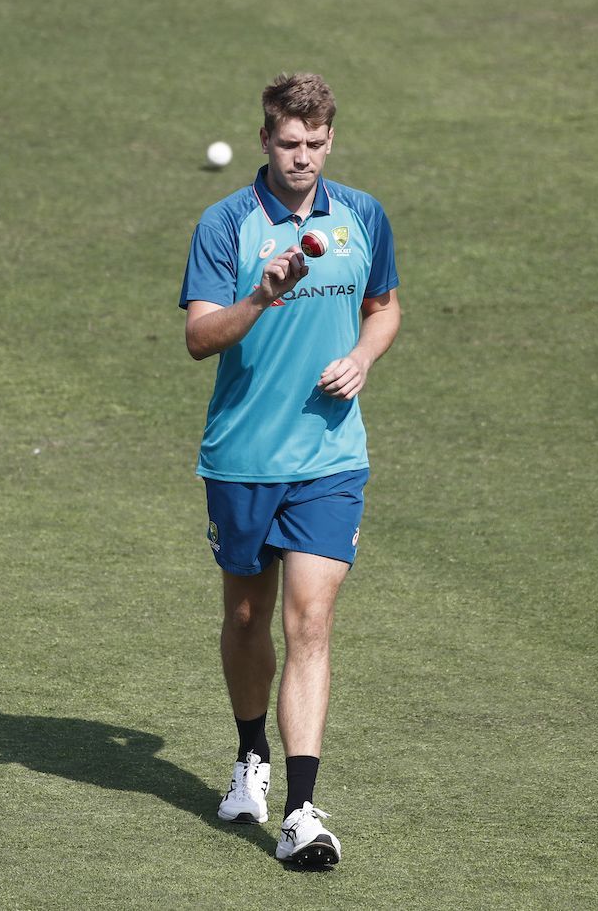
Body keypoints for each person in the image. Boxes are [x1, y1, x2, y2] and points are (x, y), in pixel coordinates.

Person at [179, 73, 401, 866]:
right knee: (247, 618)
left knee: (310, 622)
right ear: (264, 140)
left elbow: (385, 305)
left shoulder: (362, 215)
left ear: (329, 139)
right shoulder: (227, 223)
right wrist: (263, 296)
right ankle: (250, 759)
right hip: (242, 457)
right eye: (287, 143)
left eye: (314, 143)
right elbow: (202, 338)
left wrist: (364, 358)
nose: (301, 156)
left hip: (331, 458)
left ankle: (302, 810)